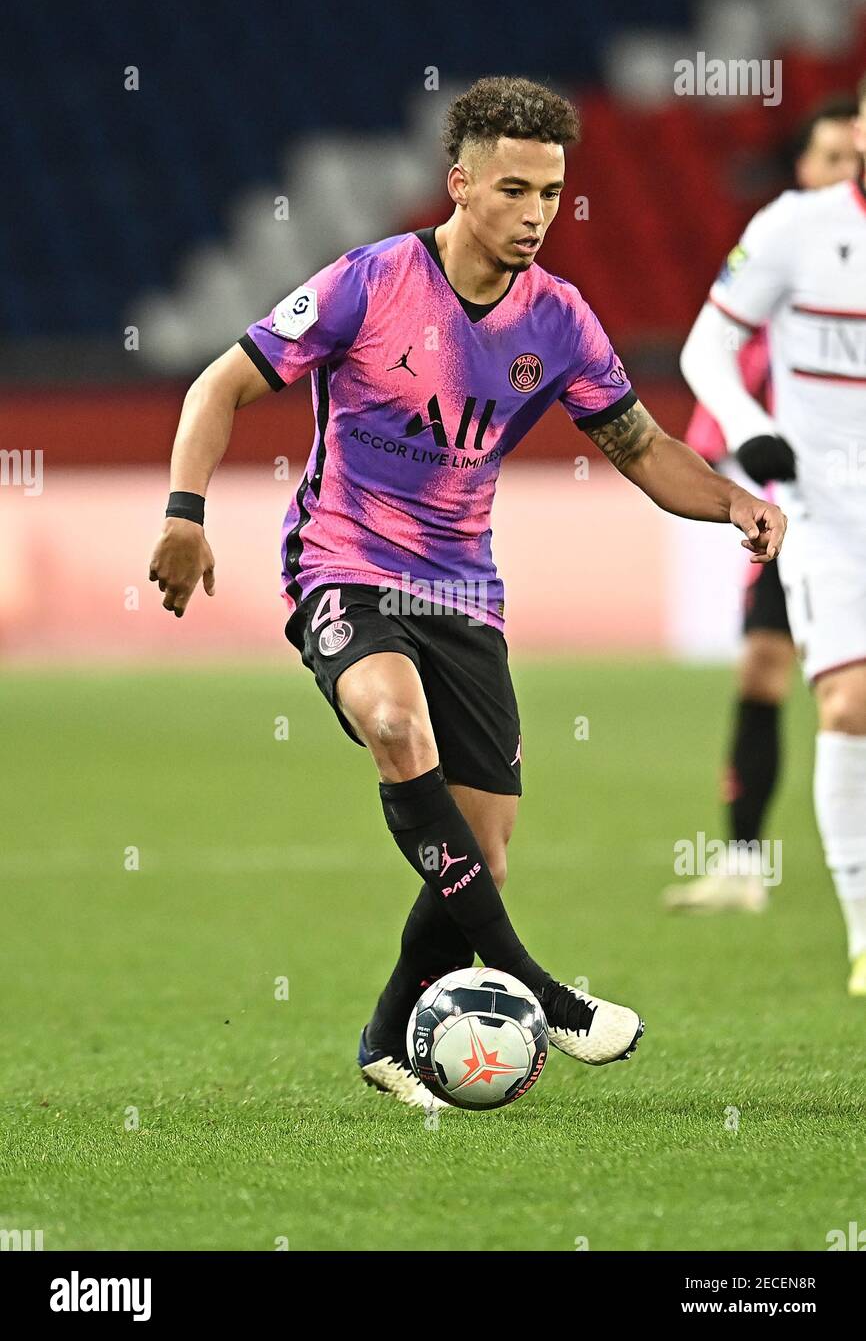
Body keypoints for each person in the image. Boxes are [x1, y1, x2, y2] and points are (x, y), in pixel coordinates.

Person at [149, 76, 786, 1106]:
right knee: (397, 725)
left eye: (550, 192)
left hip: (462, 594)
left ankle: (383, 1037)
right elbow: (216, 382)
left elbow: (640, 449)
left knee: (480, 850)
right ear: (459, 185)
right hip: (343, 564)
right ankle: (539, 988)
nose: (536, 213)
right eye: (514, 190)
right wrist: (184, 512)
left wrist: (729, 504)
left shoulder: (558, 321)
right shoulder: (369, 280)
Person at [677, 78, 866, 994]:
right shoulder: (794, 232)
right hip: (817, 509)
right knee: (827, 695)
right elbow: (706, 351)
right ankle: (839, 916)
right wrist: (749, 429)